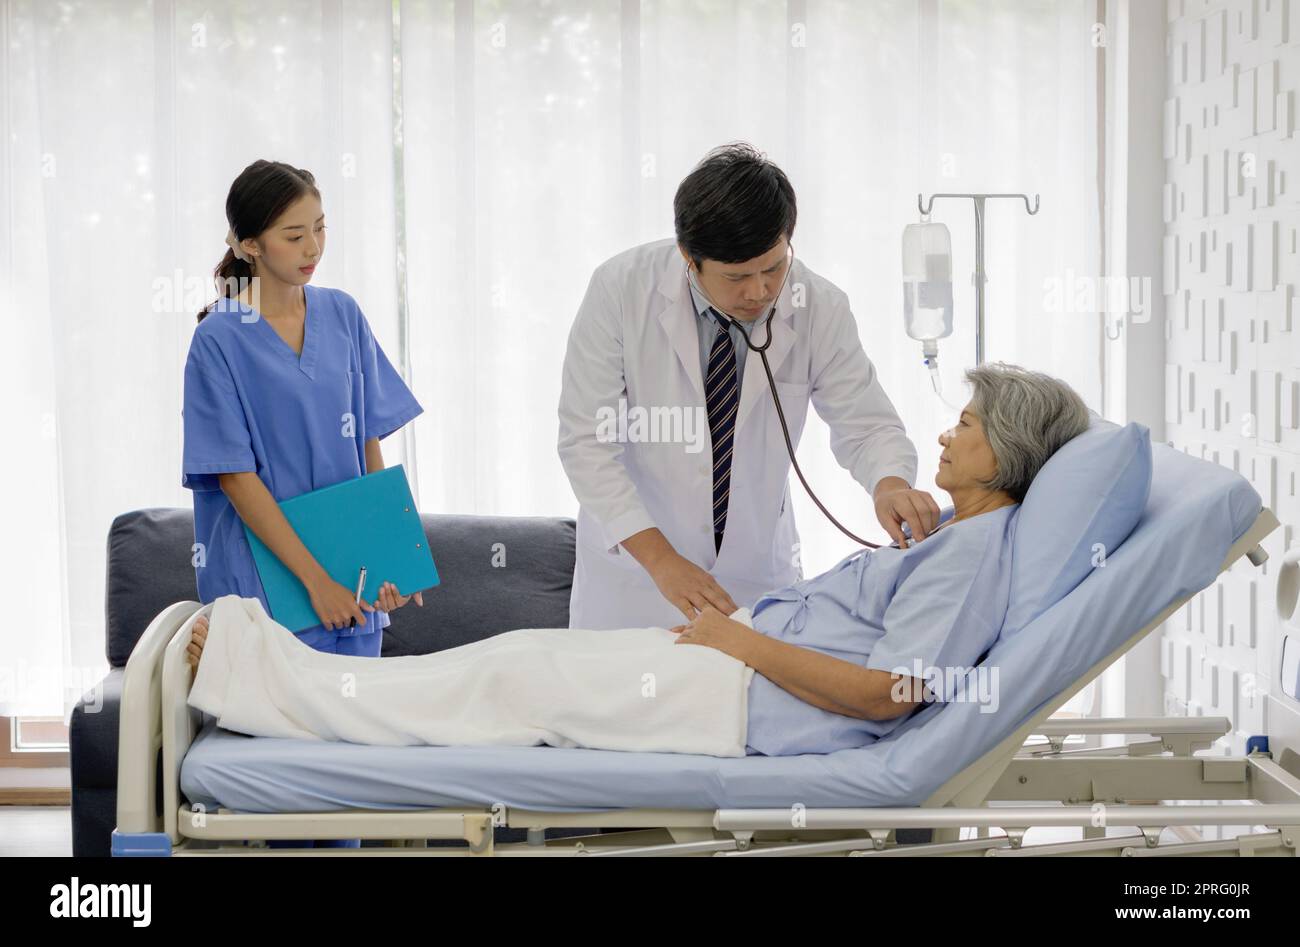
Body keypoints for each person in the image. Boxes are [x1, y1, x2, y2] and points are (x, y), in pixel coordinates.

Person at [185, 365, 1091, 759]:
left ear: (1005, 451)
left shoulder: (972, 556)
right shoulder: (954, 542)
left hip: (733, 690)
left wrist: (737, 645)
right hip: (727, 666)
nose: (944, 430)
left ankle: (258, 674)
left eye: (964, 424)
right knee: (511, 666)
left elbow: (888, 694)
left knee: (513, 677)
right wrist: (731, 638)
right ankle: (269, 669)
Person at [557, 142, 938, 632]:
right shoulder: (620, 290)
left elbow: (866, 424)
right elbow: (587, 442)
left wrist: (889, 483)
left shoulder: (818, 305)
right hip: (635, 581)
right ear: (688, 259)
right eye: (737, 277)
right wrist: (661, 561)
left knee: (739, 705)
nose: (759, 291)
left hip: (756, 580)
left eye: (774, 267)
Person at [182, 159, 427, 846]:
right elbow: (236, 477)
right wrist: (313, 581)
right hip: (267, 584)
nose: (314, 248)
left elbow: (369, 439)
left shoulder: (343, 315)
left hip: (351, 580)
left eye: (320, 228)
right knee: (291, 797)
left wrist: (388, 561)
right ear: (248, 244)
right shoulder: (218, 340)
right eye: (294, 235)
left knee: (346, 793)